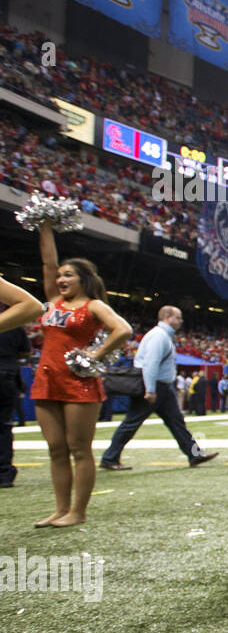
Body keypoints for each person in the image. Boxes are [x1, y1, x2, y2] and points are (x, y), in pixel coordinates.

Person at [29, 224, 132, 527]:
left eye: (68, 275)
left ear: (83, 279)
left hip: (79, 382)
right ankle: (60, 509)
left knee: (78, 449)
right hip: (46, 379)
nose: (60, 279)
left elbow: (123, 329)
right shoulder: (51, 300)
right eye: (59, 275)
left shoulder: (94, 305)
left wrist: (95, 355)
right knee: (55, 448)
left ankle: (78, 512)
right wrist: (46, 226)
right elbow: (47, 262)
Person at [99, 306, 219, 471]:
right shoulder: (159, 336)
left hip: (162, 387)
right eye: (178, 317)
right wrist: (150, 389)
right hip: (154, 385)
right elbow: (151, 363)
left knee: (176, 422)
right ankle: (109, 458)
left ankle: (195, 454)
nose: (181, 321)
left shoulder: (162, 335)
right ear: (168, 317)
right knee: (132, 422)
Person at [0, 278, 41, 489]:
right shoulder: (14, 326)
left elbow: (32, 306)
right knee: (4, 424)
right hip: (7, 372)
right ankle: (4, 473)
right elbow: (25, 351)